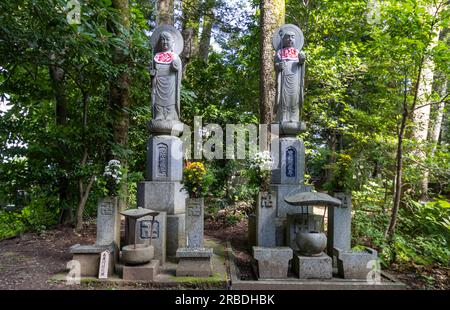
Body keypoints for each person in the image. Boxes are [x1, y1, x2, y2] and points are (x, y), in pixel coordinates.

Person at [274, 30, 306, 123]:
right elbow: (275, 65)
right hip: (284, 78)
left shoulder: (297, 52)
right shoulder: (280, 52)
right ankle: (283, 117)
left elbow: (301, 63)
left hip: (295, 78)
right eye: (287, 37)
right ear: (283, 39)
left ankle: (294, 118)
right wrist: (278, 66)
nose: (290, 39)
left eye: (292, 37)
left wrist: (302, 60)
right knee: (284, 98)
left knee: (294, 98)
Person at [150, 31, 182, 121]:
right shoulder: (156, 56)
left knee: (171, 98)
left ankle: (170, 114)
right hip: (158, 81)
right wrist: (152, 73)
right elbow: (152, 69)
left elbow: (178, 69)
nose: (165, 42)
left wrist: (175, 66)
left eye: (167, 40)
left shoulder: (175, 56)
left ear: (173, 42)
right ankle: (159, 113)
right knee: (157, 98)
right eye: (162, 40)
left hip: (171, 81)